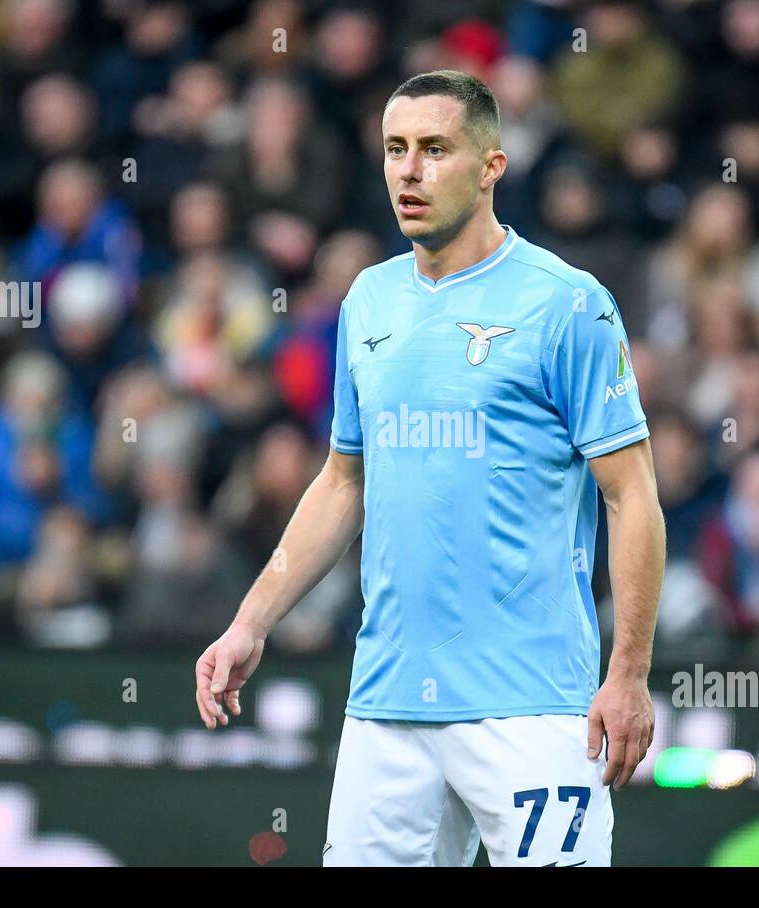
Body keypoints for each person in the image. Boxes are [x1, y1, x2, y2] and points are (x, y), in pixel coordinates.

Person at [194, 70, 666, 867]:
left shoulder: (567, 303)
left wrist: (629, 674)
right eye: (395, 150)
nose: (409, 171)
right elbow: (345, 481)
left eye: (436, 149)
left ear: (491, 167)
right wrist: (251, 622)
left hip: (531, 707)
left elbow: (633, 497)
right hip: (387, 705)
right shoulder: (368, 301)